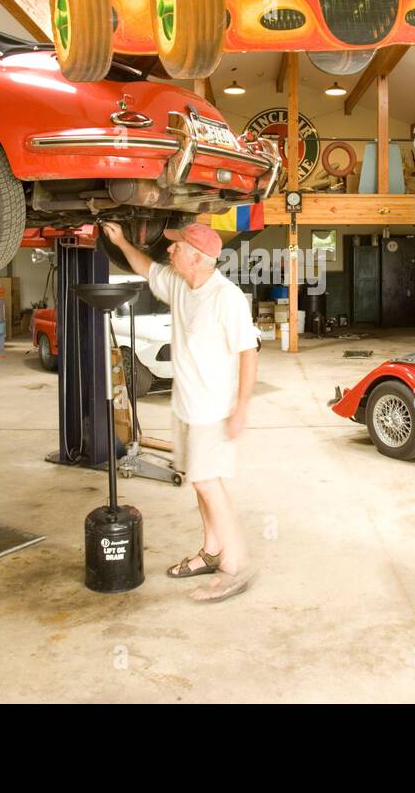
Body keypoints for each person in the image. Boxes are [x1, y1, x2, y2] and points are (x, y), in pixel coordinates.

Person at [101, 220, 258, 603]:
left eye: (176, 247)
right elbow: (146, 268)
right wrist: (121, 241)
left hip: (214, 411)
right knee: (199, 482)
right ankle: (211, 550)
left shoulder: (227, 297)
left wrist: (240, 408)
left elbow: (248, 353)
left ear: (197, 257)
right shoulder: (180, 284)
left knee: (208, 482)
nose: (168, 251)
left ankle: (235, 564)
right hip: (186, 409)